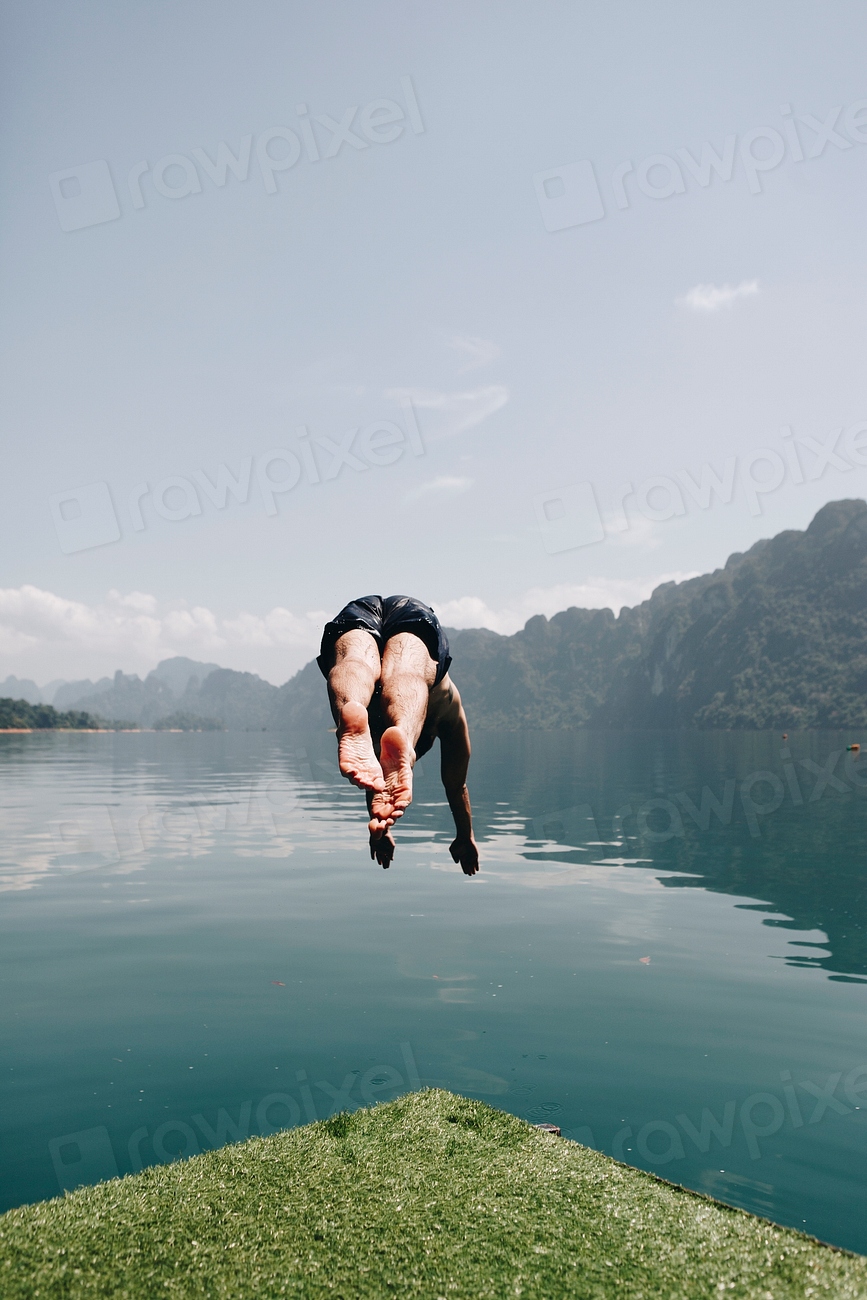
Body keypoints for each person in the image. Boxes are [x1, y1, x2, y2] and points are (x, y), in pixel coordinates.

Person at [317, 595, 478, 875]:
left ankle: (353, 707)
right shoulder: (448, 718)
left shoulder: (449, 719)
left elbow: (372, 777)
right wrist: (465, 835)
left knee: (356, 660)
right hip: (411, 615)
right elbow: (456, 786)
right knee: (407, 672)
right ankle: (401, 729)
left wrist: (381, 826)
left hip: (371, 610)